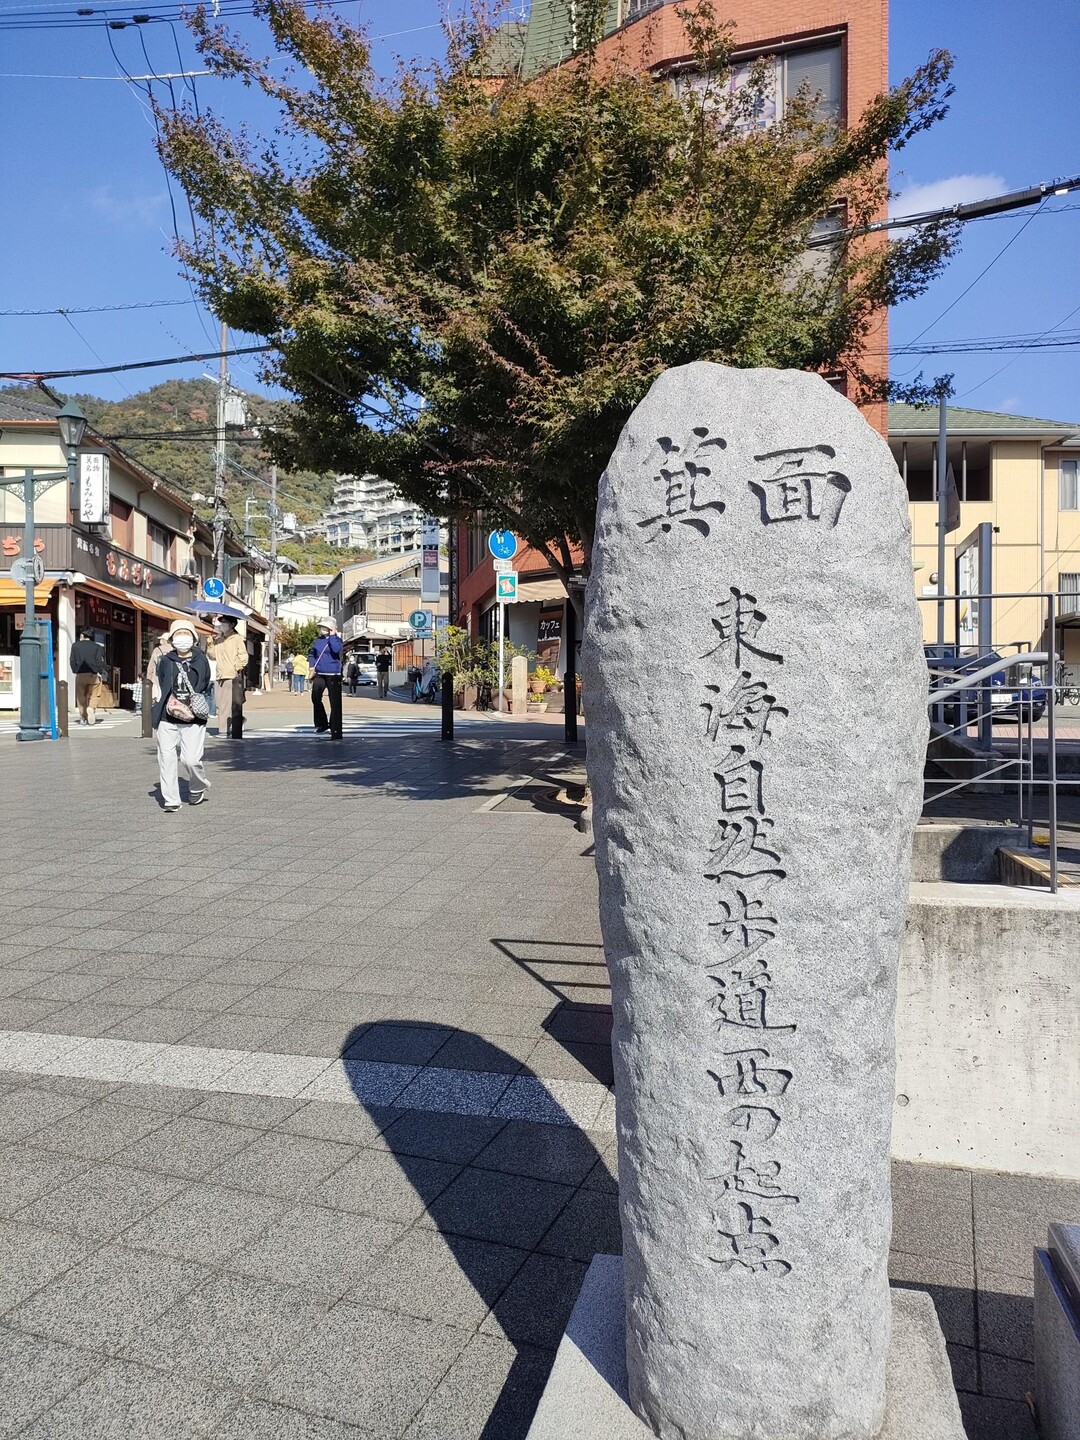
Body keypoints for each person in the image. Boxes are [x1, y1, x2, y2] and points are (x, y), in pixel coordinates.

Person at [152, 619, 212, 812]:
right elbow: (162, 681)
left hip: (193, 715)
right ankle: (171, 799)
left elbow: (204, 682)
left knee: (191, 759)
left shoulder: (200, 659)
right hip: (167, 714)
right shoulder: (166, 660)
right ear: (171, 638)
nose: (182, 638)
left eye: (186, 634)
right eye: (178, 634)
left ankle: (197, 786)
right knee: (166, 758)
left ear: (193, 637)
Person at [207, 615, 248, 738]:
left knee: (225, 704)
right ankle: (238, 719)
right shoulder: (219, 639)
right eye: (221, 622)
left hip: (231, 675)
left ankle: (223, 730)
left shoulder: (236, 639)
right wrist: (210, 645)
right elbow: (212, 656)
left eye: (224, 622)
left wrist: (236, 668)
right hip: (219, 674)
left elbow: (243, 656)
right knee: (220, 703)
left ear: (232, 625)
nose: (222, 624)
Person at [308, 618, 343, 738]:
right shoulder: (318, 640)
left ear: (331, 628)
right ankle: (322, 723)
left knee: (335, 702)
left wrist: (333, 636)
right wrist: (312, 665)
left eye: (325, 627)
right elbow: (312, 653)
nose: (322, 629)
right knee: (315, 698)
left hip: (333, 674)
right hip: (319, 673)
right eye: (321, 627)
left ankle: (335, 728)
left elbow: (336, 650)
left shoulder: (337, 640)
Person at [69, 629, 109, 726]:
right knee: (95, 694)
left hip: (80, 674)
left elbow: (72, 660)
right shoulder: (97, 647)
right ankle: (91, 707)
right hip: (93, 674)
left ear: (82, 635)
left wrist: (76, 670)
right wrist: (100, 671)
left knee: (80, 697)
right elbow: (100, 661)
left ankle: (83, 717)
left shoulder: (75, 646)